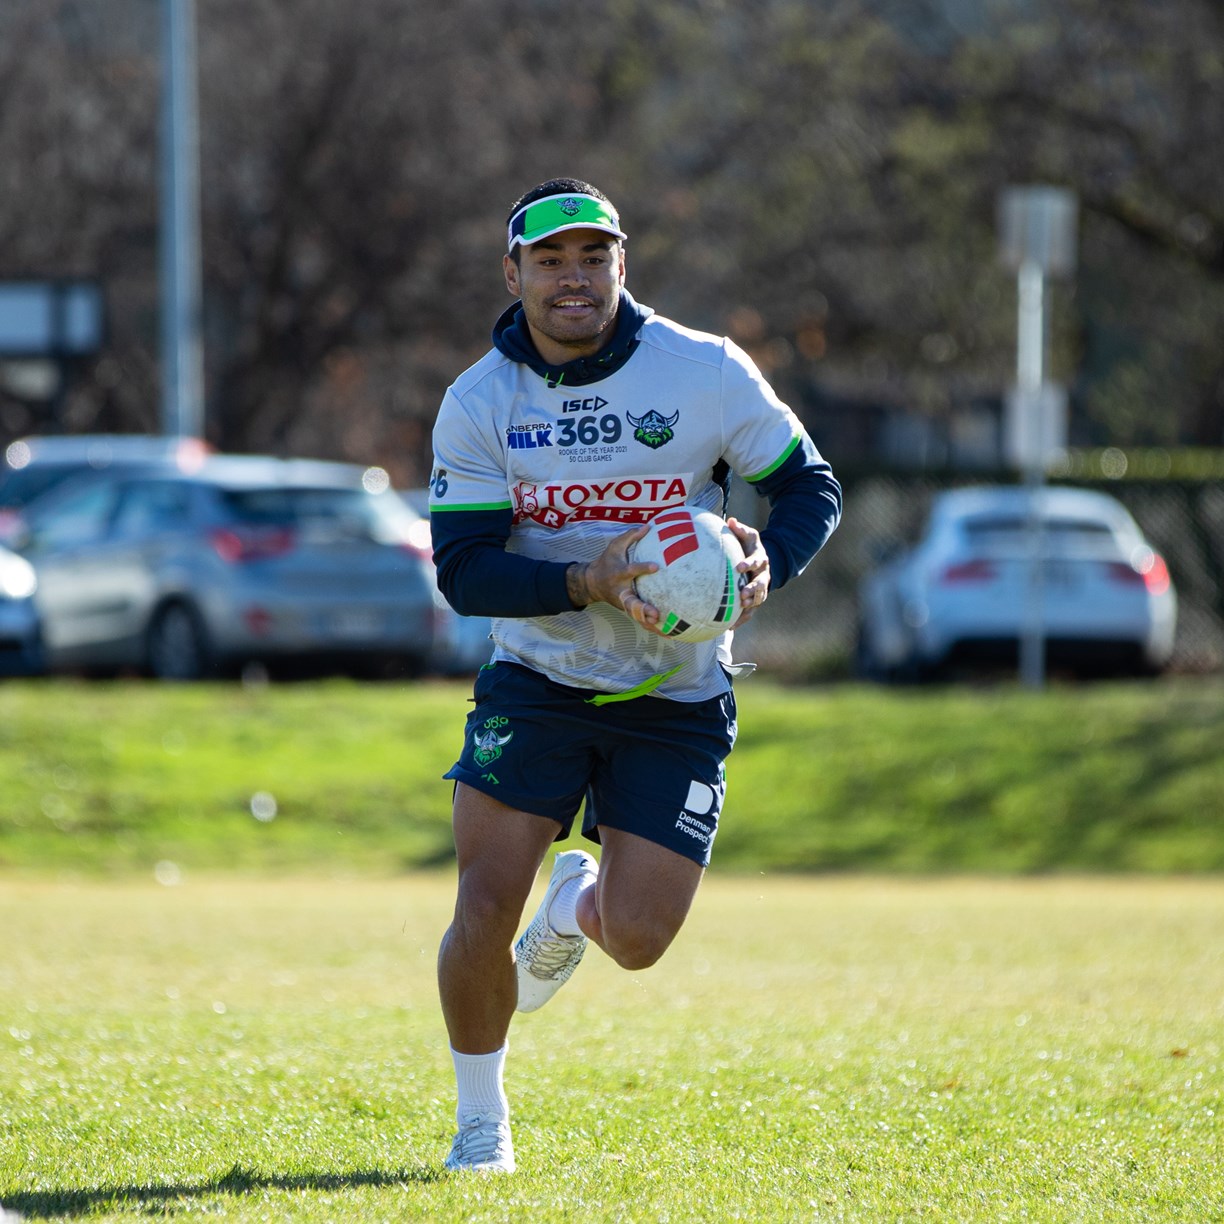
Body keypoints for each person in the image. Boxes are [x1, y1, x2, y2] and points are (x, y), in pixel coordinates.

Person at [429, 178, 841, 1173]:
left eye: (593, 257)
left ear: (623, 264)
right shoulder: (480, 400)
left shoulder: (704, 370)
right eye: (551, 260)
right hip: (539, 677)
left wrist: (764, 566)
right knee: (484, 904)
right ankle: (480, 1119)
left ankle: (576, 907)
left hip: (679, 691)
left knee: (641, 935)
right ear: (514, 272)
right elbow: (465, 571)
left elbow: (808, 486)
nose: (573, 278)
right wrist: (587, 579)